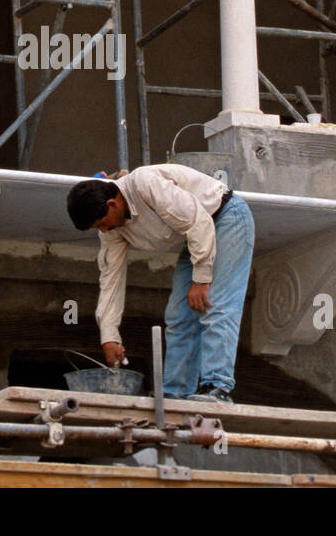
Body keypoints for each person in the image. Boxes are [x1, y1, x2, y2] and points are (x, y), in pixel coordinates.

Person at [66, 163, 255, 403]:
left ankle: (217, 388)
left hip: (225, 218)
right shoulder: (111, 231)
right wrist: (109, 336)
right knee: (178, 315)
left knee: (214, 306)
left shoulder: (145, 184)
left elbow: (198, 221)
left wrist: (201, 279)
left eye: (102, 223)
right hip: (195, 238)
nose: (103, 229)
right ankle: (176, 393)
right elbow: (111, 280)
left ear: (112, 204)